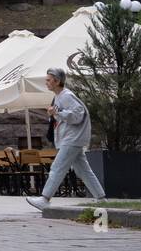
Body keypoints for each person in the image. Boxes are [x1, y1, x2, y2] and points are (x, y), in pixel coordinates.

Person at [26, 68, 106, 211]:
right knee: (83, 171)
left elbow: (78, 115)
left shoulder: (66, 96)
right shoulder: (59, 96)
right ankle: (101, 199)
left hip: (72, 138)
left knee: (57, 167)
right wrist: (55, 114)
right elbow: (66, 117)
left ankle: (45, 198)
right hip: (71, 138)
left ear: (57, 81)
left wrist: (57, 112)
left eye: (49, 80)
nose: (46, 83)